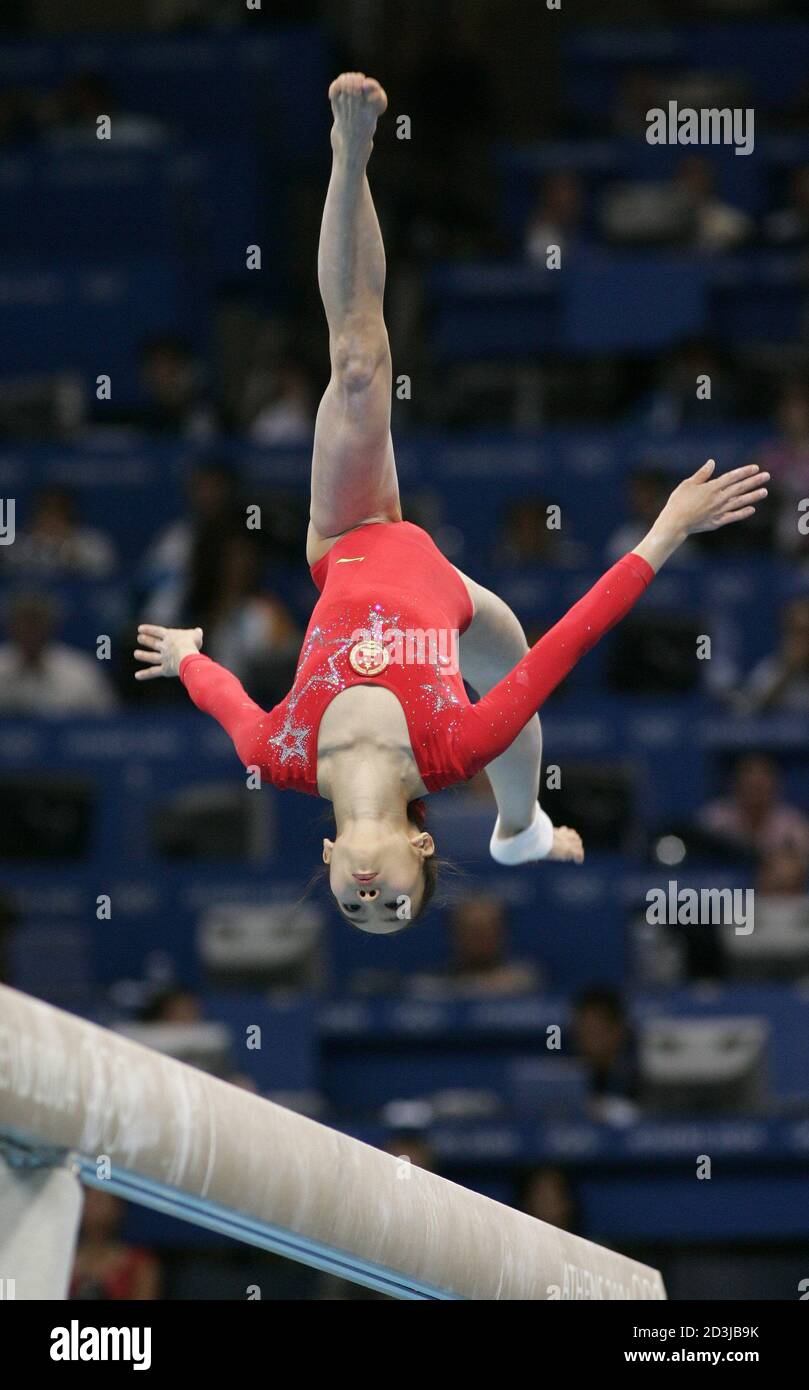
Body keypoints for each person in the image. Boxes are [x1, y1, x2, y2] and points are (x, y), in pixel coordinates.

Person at [133, 74, 769, 931]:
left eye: (361, 912)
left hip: (350, 536)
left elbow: (221, 695)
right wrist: (666, 528)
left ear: (325, 863)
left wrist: (185, 657)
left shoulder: (278, 753)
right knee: (519, 695)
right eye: (398, 903)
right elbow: (573, 636)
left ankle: (348, 154)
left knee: (357, 363)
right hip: (460, 602)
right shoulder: (450, 748)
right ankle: (517, 826)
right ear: (422, 849)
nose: (373, 898)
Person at [0, 592, 117, 716]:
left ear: (51, 625)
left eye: (36, 622)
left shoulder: (82, 672)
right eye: (22, 622)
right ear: (10, 626)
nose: (29, 630)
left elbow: (108, 725)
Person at [69, 1188, 160, 1300]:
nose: (93, 1206)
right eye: (89, 1197)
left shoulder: (141, 1264)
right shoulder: (60, 1259)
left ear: (118, 1207)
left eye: (100, 1199)